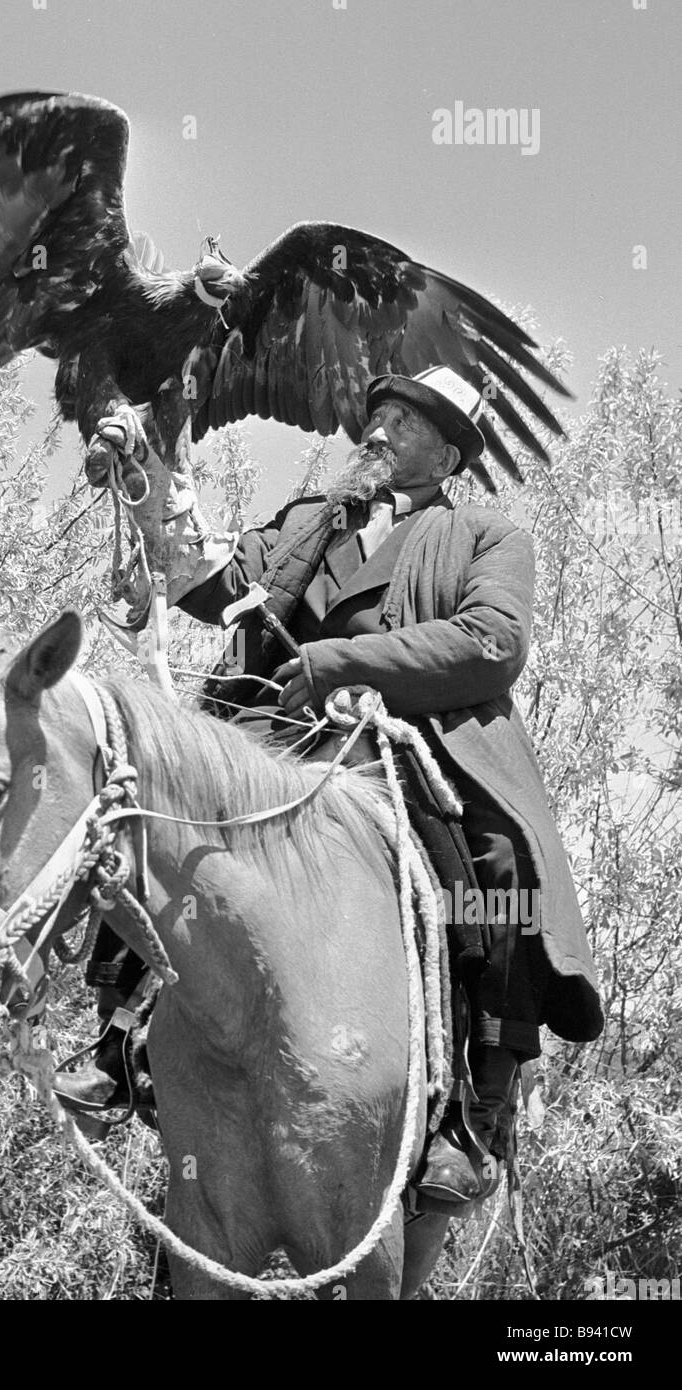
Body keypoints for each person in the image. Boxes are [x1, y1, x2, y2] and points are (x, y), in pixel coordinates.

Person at [57, 366, 604, 1208]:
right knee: (156, 817)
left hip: (410, 742)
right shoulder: (306, 521)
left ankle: (474, 1106)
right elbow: (211, 582)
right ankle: (114, 1040)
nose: (376, 430)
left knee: (491, 862)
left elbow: (492, 643)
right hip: (270, 736)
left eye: (404, 421)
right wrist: (152, 480)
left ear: (447, 453)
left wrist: (335, 663)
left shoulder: (488, 537)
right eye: (376, 414)